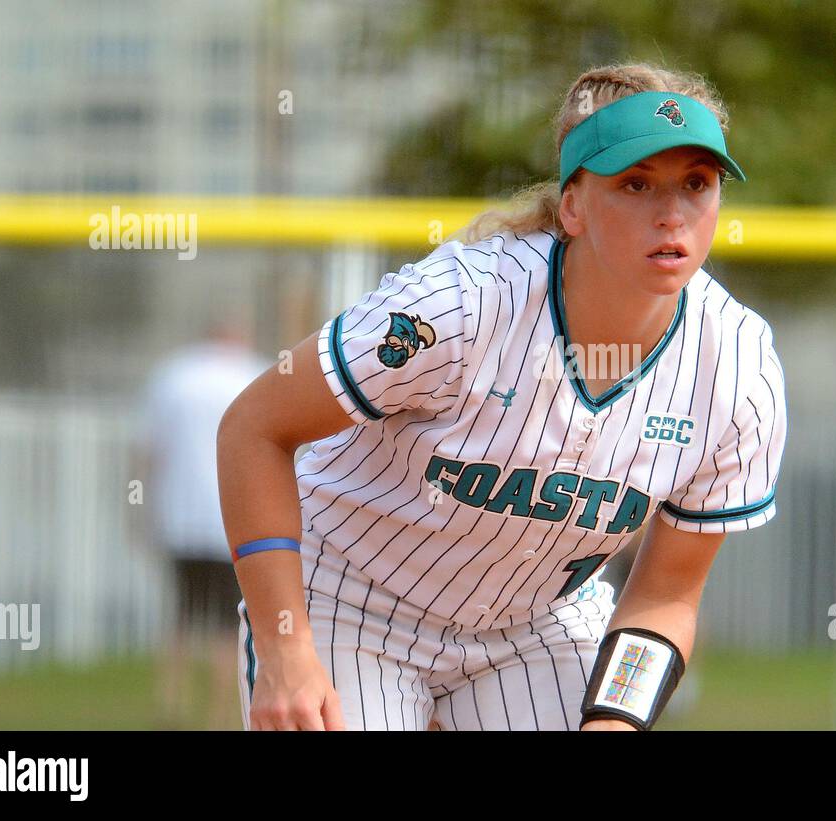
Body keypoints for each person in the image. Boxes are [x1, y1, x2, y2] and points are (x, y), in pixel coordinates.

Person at [216, 62, 787, 731]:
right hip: (350, 595)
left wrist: (615, 720)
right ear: (571, 205)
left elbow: (666, 597)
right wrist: (285, 646)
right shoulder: (462, 306)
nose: (671, 213)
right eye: (636, 183)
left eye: (697, 183)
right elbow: (254, 426)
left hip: (534, 623)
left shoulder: (738, 367)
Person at [141, 317, 271, 728]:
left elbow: (150, 450)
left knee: (180, 614)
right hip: (231, 519)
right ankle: (220, 711)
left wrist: (143, 510)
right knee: (226, 619)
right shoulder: (256, 374)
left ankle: (171, 699)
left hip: (180, 516)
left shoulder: (174, 375)